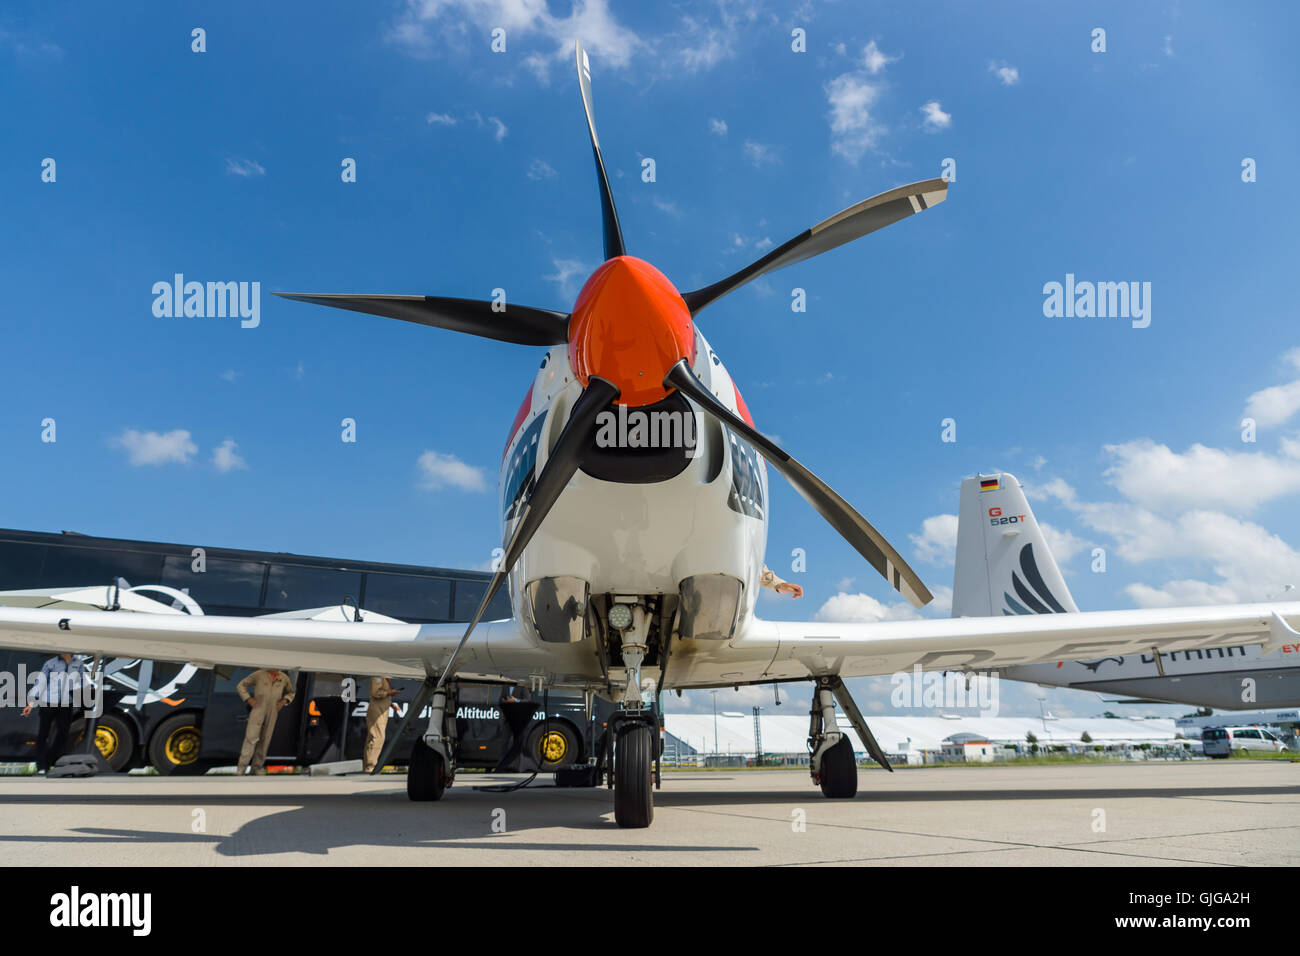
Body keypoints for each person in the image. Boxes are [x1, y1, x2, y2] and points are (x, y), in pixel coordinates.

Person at [21, 653, 88, 773]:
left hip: (67, 704)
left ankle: (50, 762)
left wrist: (87, 694)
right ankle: (41, 766)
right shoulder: (50, 663)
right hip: (48, 702)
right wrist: (31, 703)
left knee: (63, 735)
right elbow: (40, 683)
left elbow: (83, 682)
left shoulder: (78, 663)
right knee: (43, 735)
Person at [235, 668, 295, 775]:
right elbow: (241, 686)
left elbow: (292, 692)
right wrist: (249, 699)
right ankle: (241, 770)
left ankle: (256, 770)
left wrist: (284, 701)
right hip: (258, 710)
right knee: (250, 740)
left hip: (273, 712)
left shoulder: (284, 678)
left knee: (264, 742)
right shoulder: (258, 674)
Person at [363, 677, 399, 772]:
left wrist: (391, 704)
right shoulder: (378, 677)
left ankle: (368, 765)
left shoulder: (384, 678)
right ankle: (370, 766)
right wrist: (390, 692)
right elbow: (375, 693)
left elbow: (383, 695)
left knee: (375, 737)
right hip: (376, 711)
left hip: (382, 711)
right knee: (377, 737)